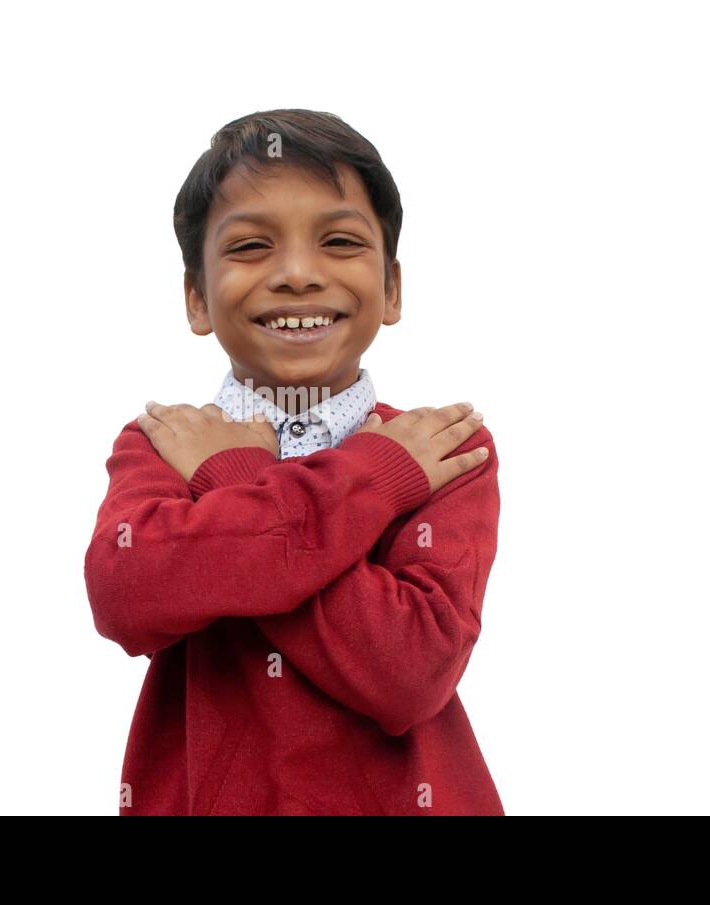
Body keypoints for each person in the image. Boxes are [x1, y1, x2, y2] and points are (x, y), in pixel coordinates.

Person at [84, 109, 505, 815]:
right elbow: (126, 595)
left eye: (339, 240)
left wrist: (233, 481)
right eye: (251, 246)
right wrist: (373, 479)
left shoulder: (444, 450)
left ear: (393, 288)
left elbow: (409, 670)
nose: (298, 274)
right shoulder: (162, 442)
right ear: (195, 296)